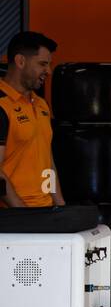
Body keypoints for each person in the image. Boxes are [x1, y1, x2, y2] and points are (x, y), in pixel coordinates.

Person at [1, 31, 63, 209]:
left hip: (43, 212)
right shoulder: (2, 105)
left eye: (49, 65)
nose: (48, 71)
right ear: (20, 61)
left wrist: (60, 206)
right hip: (12, 219)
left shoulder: (41, 104)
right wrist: (23, 213)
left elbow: (47, 163)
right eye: (43, 64)